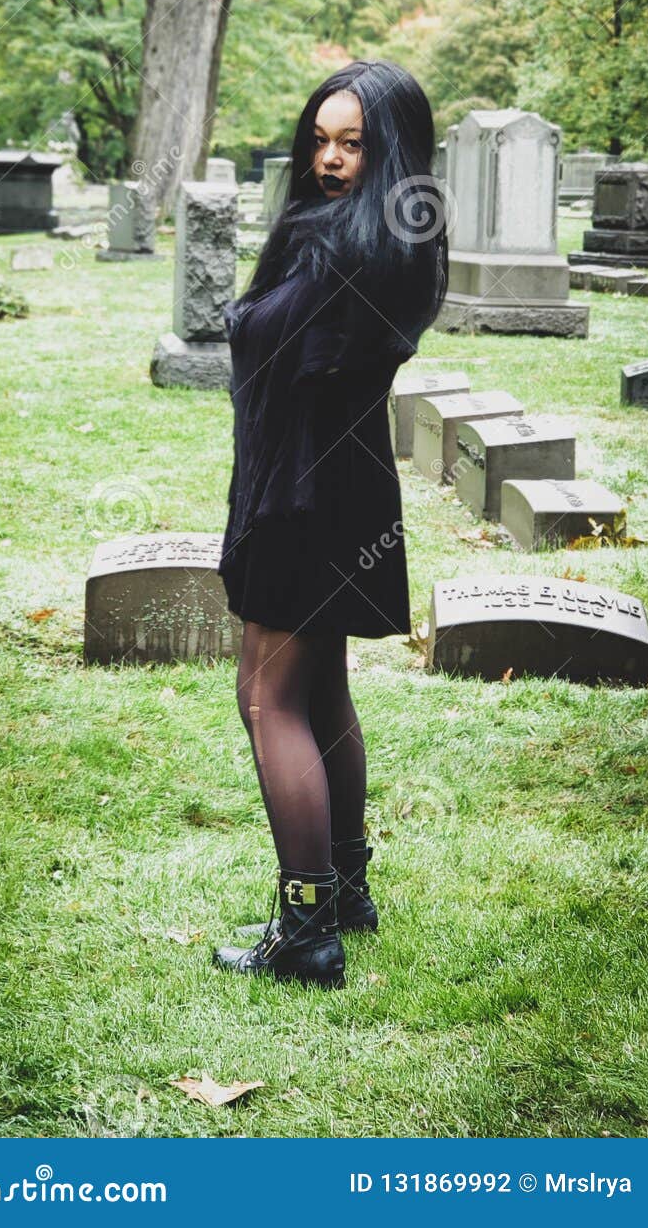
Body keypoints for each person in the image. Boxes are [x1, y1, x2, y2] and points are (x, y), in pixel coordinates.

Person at [211, 60, 448, 990]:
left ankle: (307, 930)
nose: (330, 158)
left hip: (302, 491)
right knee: (321, 687)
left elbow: (263, 337)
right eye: (321, 137)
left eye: (352, 142)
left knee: (267, 698)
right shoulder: (400, 237)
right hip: (349, 484)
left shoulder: (345, 245)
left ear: (387, 149)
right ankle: (345, 888)